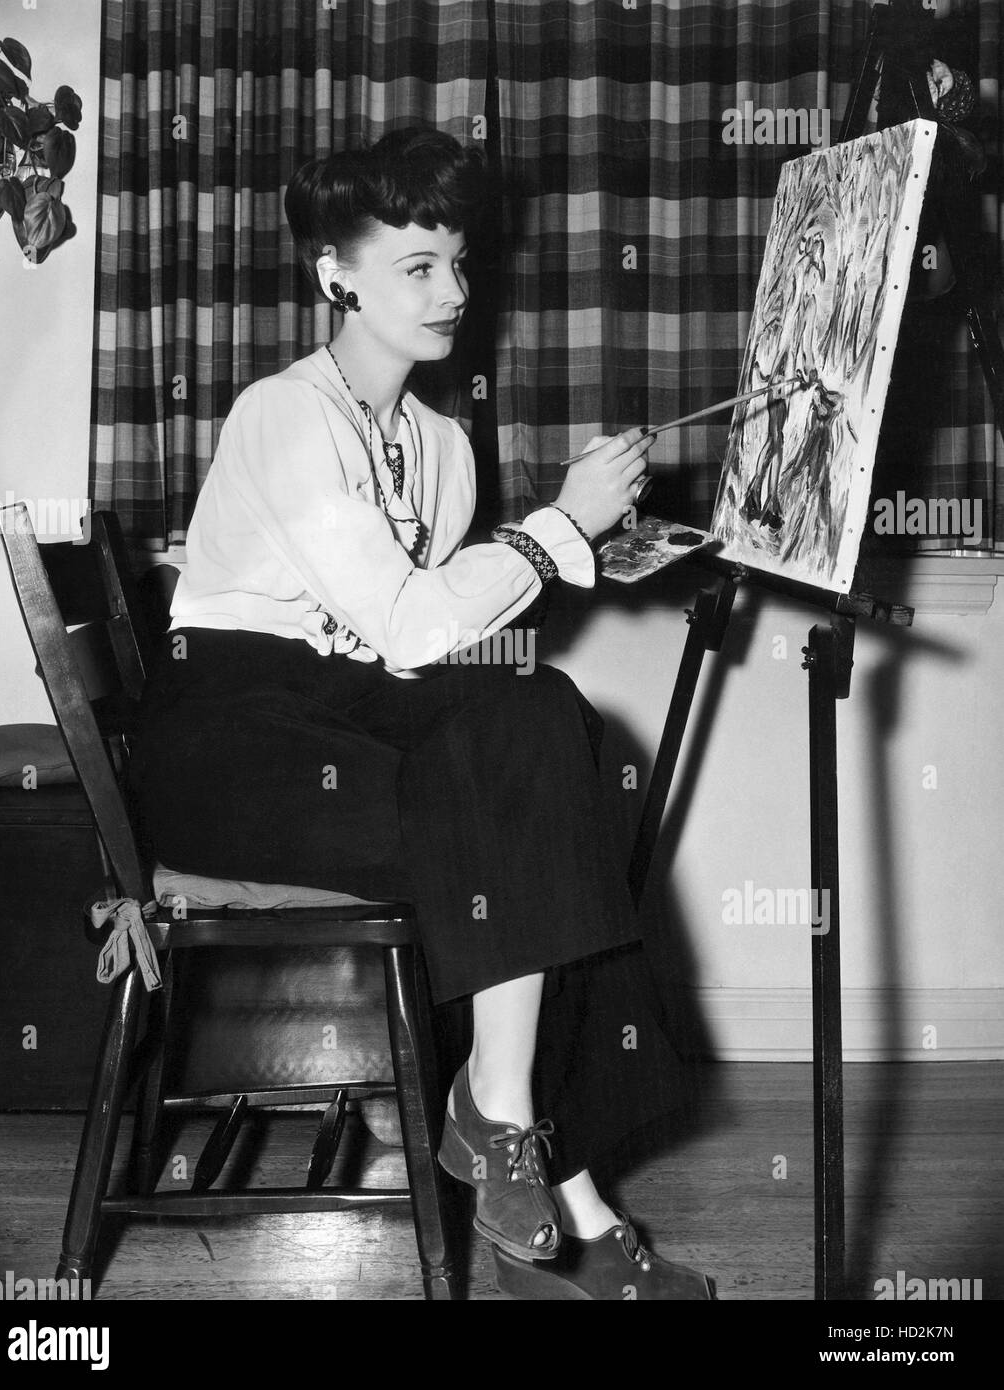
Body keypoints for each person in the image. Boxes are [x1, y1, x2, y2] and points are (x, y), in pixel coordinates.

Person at [129, 126, 714, 1301]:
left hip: (351, 722)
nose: (451, 292)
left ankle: (506, 1130)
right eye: (414, 267)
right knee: (541, 820)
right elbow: (407, 626)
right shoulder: (278, 416)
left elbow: (423, 640)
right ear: (332, 273)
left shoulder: (442, 447)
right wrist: (560, 528)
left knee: (539, 721)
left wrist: (590, 541)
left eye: (457, 262)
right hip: (234, 743)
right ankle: (561, 1192)